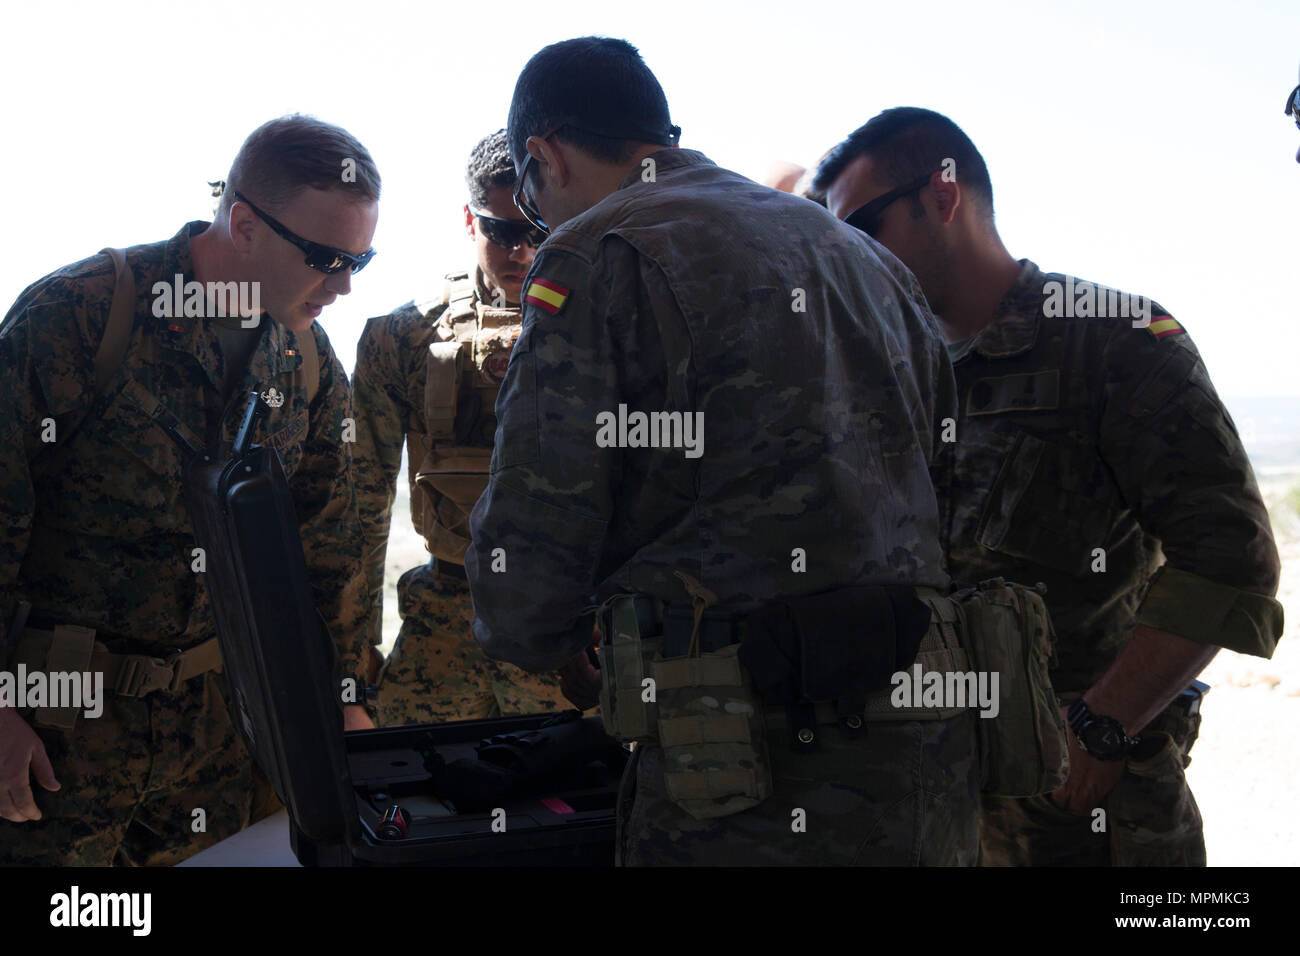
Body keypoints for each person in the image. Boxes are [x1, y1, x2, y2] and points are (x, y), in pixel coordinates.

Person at [466, 37, 978, 866]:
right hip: (922, 761)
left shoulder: (595, 252)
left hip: (742, 776)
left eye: (528, 203)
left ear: (543, 157)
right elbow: (947, 484)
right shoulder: (861, 256)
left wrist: (556, 649)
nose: (538, 226)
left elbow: (531, 545)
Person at [814, 107, 1285, 866]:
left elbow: (1233, 557)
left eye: (863, 225)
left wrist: (1105, 721)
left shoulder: (1112, 341)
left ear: (942, 197)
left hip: (1086, 818)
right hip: (930, 810)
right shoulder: (882, 378)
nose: (852, 256)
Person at [0, 114, 379, 865]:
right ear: (243, 224)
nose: (340, 284)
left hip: (220, 747)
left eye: (360, 263)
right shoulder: (78, 319)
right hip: (59, 745)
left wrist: (344, 701)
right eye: (326, 257)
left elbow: (329, 548)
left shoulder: (304, 360)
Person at [352, 130, 568, 726]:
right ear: (469, 222)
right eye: (502, 232)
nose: (522, 252)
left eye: (537, 233)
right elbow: (360, 503)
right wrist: (352, 651)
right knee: (407, 791)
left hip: (563, 624)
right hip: (444, 618)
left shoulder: (601, 332)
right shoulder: (401, 338)